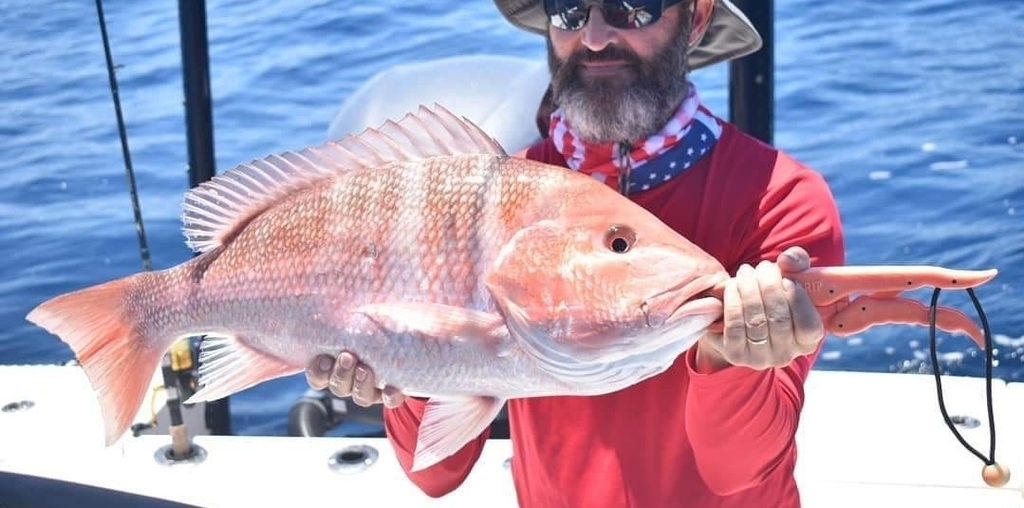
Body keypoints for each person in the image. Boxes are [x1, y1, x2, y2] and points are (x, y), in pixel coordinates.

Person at [306, 0, 845, 506]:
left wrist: (732, 362)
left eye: (630, 6)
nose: (594, 37)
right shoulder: (477, 197)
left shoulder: (780, 201)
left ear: (698, 16)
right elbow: (436, 474)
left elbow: (737, 470)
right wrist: (403, 368)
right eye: (567, 8)